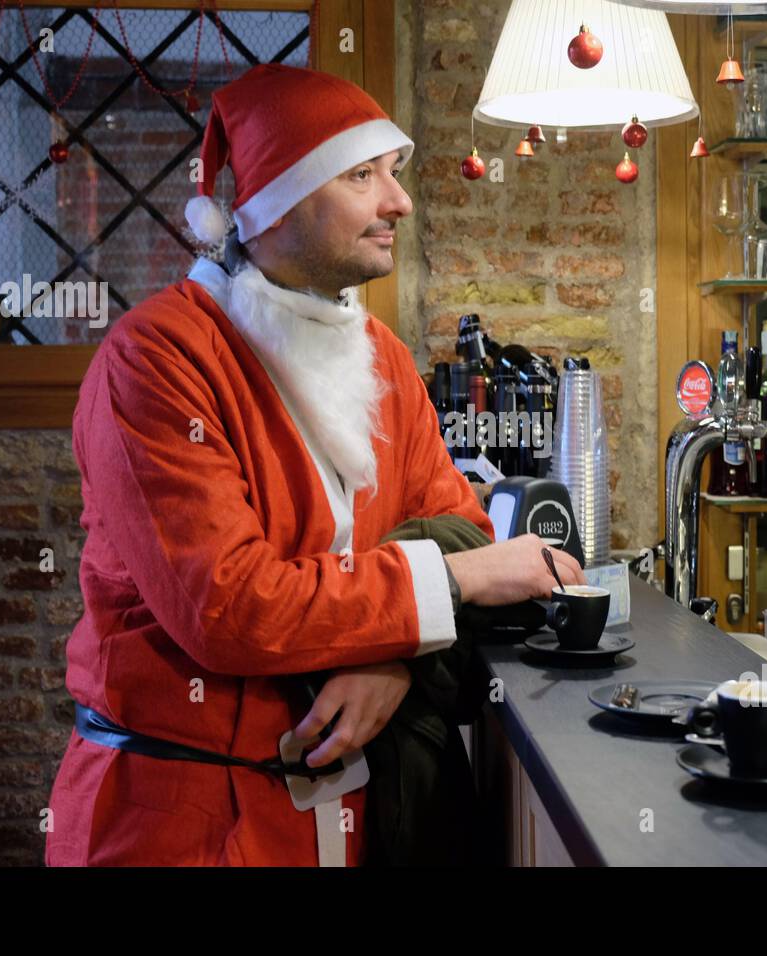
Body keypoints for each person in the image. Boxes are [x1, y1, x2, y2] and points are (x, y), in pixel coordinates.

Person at [45, 64, 585, 866]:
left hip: (346, 818)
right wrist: (456, 585)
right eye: (362, 176)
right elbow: (229, 609)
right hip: (176, 823)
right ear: (277, 201)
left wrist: (392, 657)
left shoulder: (383, 359)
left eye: (391, 175)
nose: (397, 202)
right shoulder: (156, 361)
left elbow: (459, 524)